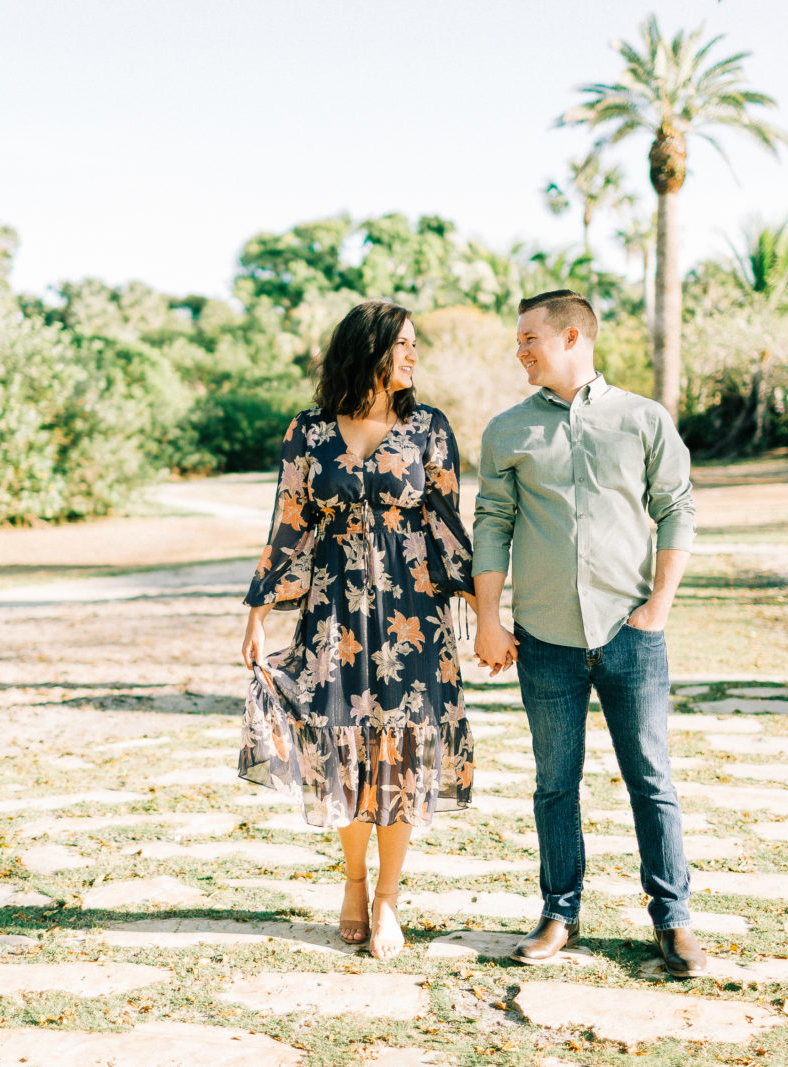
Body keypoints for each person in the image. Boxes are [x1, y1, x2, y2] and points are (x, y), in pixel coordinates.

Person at [470, 289, 707, 976]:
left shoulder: (643, 418)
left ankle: (674, 919)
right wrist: (489, 616)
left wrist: (660, 602)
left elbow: (678, 507)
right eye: (518, 341)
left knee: (651, 777)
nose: (520, 351)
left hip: (631, 634)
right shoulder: (508, 430)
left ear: (572, 337)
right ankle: (559, 912)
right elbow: (492, 522)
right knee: (554, 781)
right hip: (544, 639)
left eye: (529, 339)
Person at [240, 299, 476, 960]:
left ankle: (387, 901)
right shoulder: (308, 431)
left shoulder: (428, 426)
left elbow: (448, 524)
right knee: (341, 748)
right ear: (368, 349)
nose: (413, 354)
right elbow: (288, 521)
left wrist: (487, 612)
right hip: (334, 613)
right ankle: (352, 883)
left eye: (414, 344)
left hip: (413, 617)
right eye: (402, 343)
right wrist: (258, 613)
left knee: (399, 752)